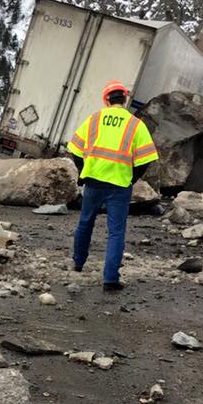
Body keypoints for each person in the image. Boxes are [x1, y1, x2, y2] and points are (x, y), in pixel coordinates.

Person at [67, 81, 159, 291]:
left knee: (85, 223)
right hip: (119, 185)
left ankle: (78, 263)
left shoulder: (94, 119)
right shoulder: (135, 124)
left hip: (93, 182)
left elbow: (75, 148)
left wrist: (83, 172)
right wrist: (132, 178)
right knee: (116, 232)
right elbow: (146, 159)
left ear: (106, 99)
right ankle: (110, 279)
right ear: (125, 100)